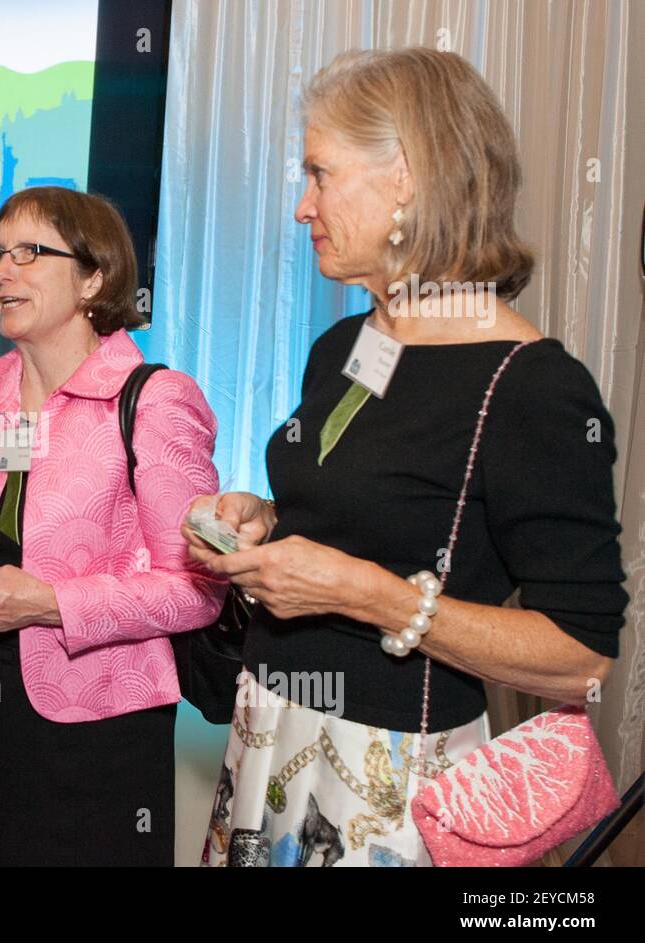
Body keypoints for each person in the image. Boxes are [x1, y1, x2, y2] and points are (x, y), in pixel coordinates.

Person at [184, 49, 626, 867]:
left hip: (390, 785)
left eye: (319, 173)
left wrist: (378, 600)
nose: (301, 206)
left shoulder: (528, 386)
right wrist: (266, 521)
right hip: (268, 739)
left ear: (408, 179)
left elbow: (582, 657)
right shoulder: (343, 345)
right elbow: (376, 515)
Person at [0, 186, 224, 865]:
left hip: (99, 733)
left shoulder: (154, 398)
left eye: (30, 253)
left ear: (95, 277)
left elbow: (197, 589)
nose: (3, 271)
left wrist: (49, 604)